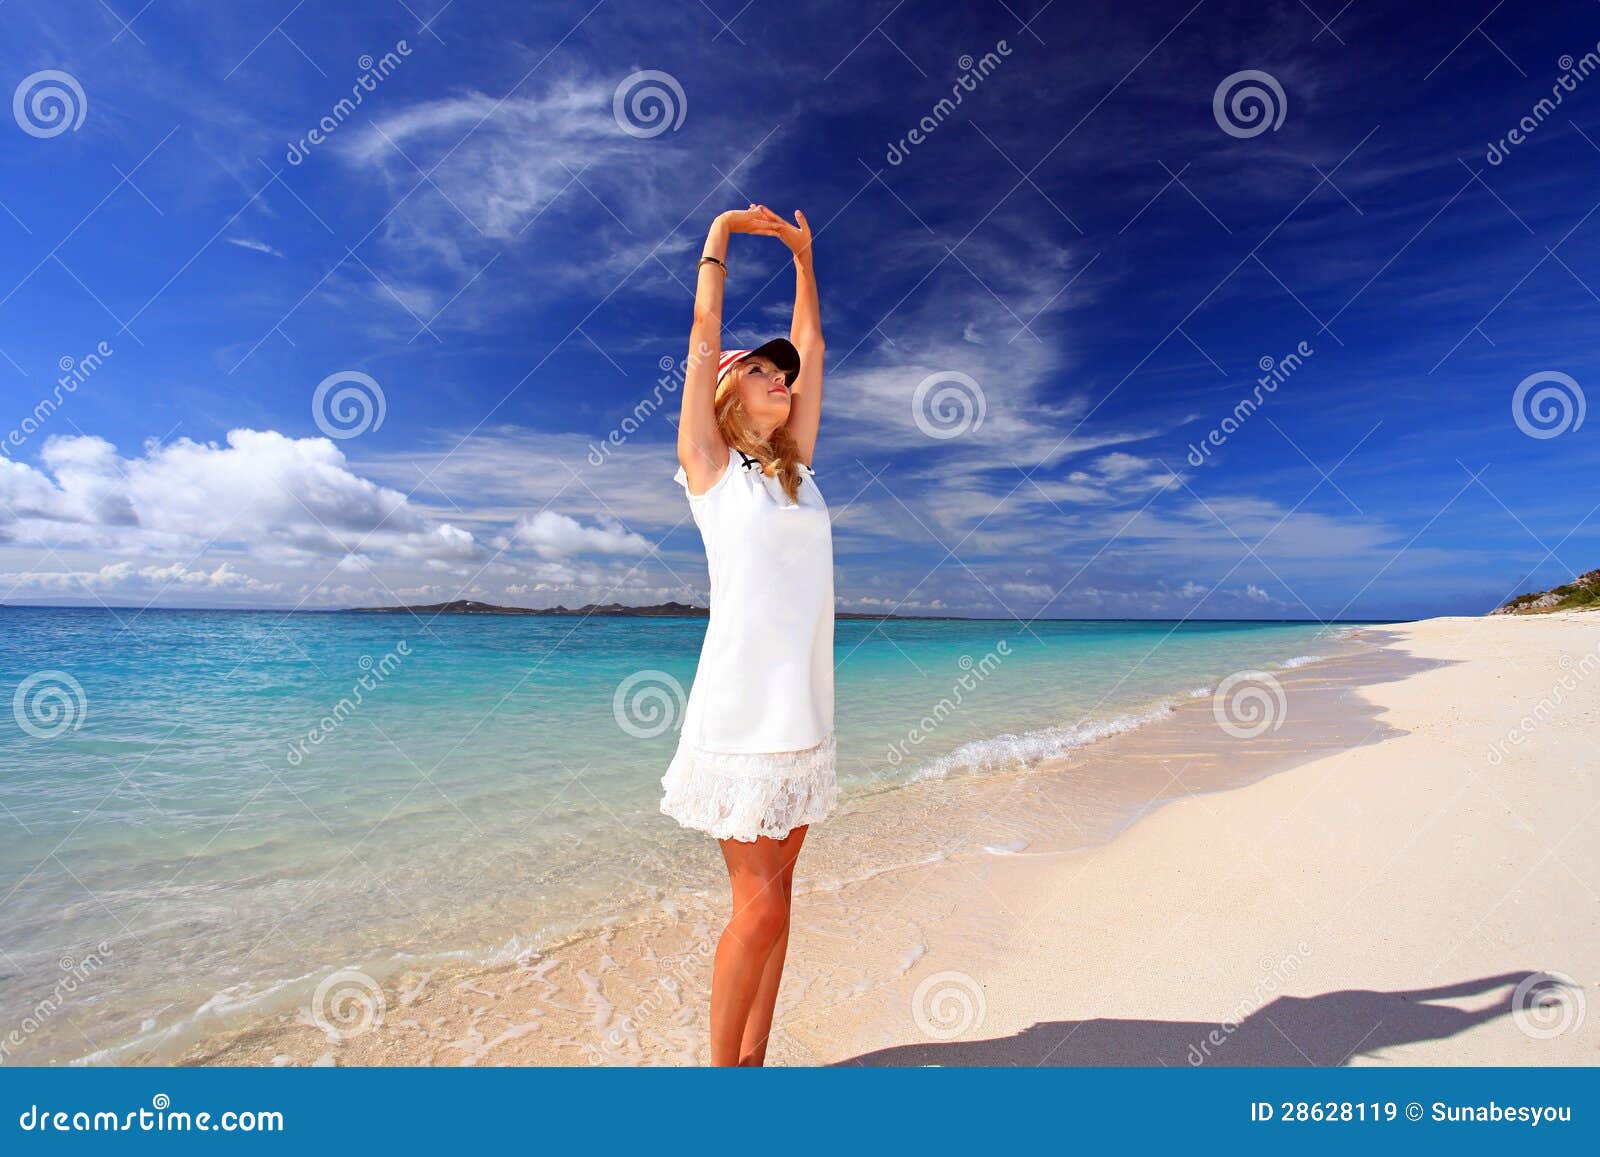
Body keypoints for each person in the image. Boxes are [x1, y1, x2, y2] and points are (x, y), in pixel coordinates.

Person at [660, 202, 834, 1066]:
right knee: (756, 910)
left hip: (804, 719)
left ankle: (756, 1065)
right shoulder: (712, 470)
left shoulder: (797, 472)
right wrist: (722, 234)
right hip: (740, 723)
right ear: (728, 393)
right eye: (760, 370)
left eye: (781, 373)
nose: (780, 378)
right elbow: (703, 337)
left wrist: (803, 257)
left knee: (781, 905)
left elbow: (814, 346)